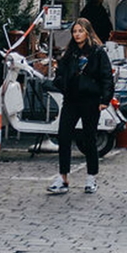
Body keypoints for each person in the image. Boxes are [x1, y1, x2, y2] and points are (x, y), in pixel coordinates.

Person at [45, 18, 114, 195]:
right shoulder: (70, 53)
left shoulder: (98, 52)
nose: (77, 34)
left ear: (87, 32)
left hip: (90, 99)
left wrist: (105, 99)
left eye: (80, 31)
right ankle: (63, 176)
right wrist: (60, 83)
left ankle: (91, 176)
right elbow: (62, 73)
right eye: (75, 31)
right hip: (71, 98)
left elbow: (106, 76)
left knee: (89, 138)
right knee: (64, 135)